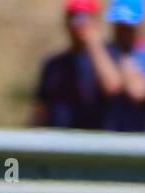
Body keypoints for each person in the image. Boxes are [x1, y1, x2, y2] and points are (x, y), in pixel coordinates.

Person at [31, 0, 121, 129]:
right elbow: (41, 108)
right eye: (73, 16)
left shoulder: (111, 54)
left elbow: (112, 86)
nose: (78, 23)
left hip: (96, 140)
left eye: (84, 16)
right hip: (59, 141)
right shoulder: (54, 64)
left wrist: (91, 40)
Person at [101, 0, 145, 133]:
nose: (122, 30)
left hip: (137, 139)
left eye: (127, 26)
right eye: (119, 24)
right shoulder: (104, 52)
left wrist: (123, 62)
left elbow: (138, 92)